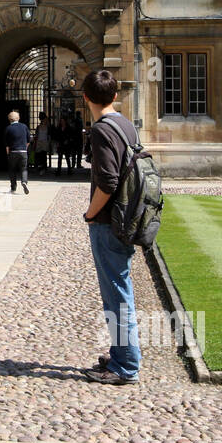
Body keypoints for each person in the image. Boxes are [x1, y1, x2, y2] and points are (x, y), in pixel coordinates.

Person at [81, 70, 140, 385]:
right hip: (126, 217)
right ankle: (122, 355)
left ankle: (125, 366)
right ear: (115, 96)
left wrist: (90, 214)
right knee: (121, 290)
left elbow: (108, 181)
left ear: (85, 97)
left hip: (109, 221)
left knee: (116, 295)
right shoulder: (126, 125)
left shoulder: (102, 130)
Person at [3, 110, 29, 195]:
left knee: (12, 169)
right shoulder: (24, 126)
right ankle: (24, 181)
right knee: (23, 169)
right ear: (18, 118)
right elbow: (29, 139)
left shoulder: (8, 128)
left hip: (13, 151)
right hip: (23, 151)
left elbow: (6, 143)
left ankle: (13, 187)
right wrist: (25, 148)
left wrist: (8, 153)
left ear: (9, 119)